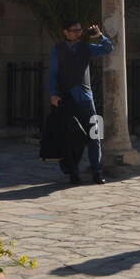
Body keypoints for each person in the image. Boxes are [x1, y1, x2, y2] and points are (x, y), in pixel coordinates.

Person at [47, 18, 113, 184]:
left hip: (85, 97)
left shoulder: (86, 47)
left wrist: (99, 35)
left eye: (79, 30)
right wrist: (53, 94)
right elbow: (53, 74)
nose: (78, 33)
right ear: (66, 32)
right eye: (74, 30)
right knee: (71, 136)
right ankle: (73, 172)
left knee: (94, 133)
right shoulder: (57, 50)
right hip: (66, 99)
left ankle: (97, 172)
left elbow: (108, 48)